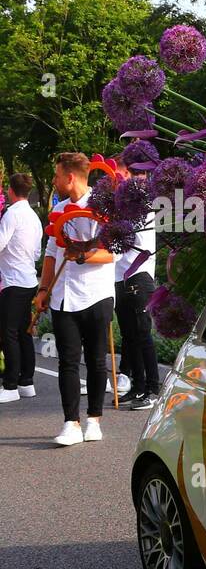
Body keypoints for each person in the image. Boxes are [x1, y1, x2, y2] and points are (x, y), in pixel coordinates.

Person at [32, 153, 118, 446]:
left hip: (96, 294)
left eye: (56, 176)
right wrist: (43, 290)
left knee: (95, 360)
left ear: (70, 177)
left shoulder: (104, 206)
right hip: (62, 297)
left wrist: (81, 255)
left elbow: (112, 253)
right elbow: (51, 254)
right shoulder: (58, 209)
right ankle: (71, 422)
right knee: (67, 361)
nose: (54, 181)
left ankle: (94, 419)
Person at [113, 190, 160, 410]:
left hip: (139, 277)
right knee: (128, 337)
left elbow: (141, 243)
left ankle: (153, 389)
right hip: (119, 278)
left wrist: (117, 230)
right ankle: (137, 386)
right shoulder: (119, 209)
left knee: (142, 336)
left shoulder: (143, 207)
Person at [0, 172, 43, 403]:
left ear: (11, 190)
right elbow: (37, 253)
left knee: (8, 332)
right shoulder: (34, 218)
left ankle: (10, 385)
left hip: (13, 280)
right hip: (28, 279)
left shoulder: (12, 214)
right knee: (24, 331)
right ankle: (27, 381)